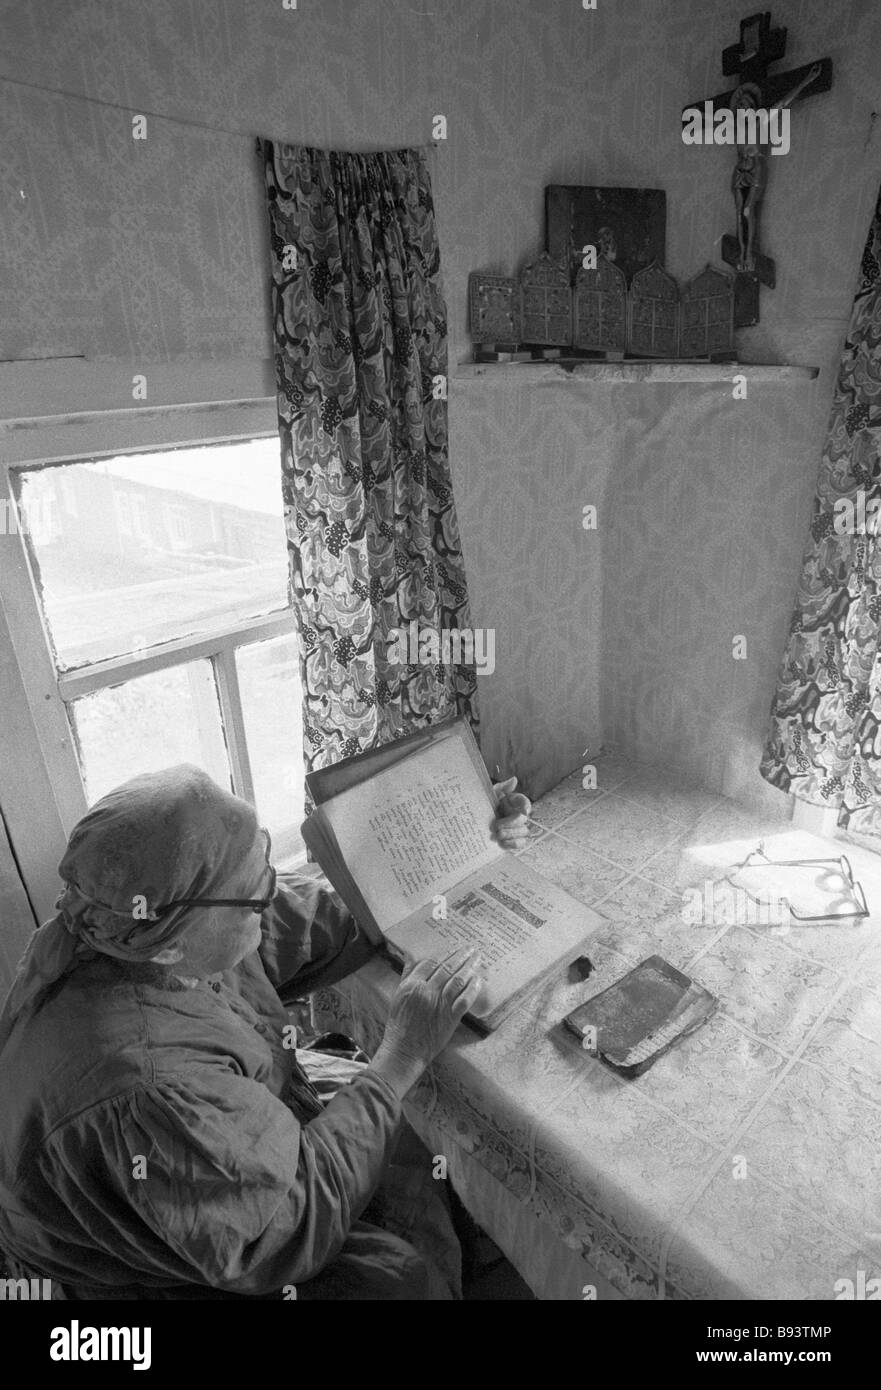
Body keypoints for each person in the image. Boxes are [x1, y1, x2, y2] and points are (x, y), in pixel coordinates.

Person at [0, 761, 530, 1300]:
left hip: (220, 1156)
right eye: (254, 895)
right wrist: (402, 1055)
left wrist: (456, 836)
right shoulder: (147, 1092)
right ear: (171, 942)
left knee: (408, 1150)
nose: (272, 893)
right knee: (395, 1279)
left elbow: (301, 919)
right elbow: (288, 1224)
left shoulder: (137, 928)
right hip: (151, 1272)